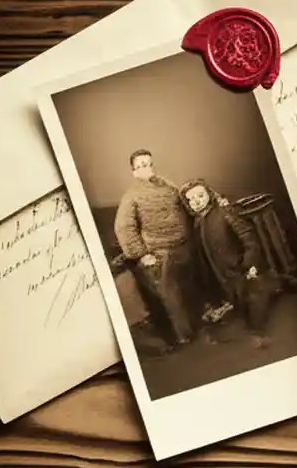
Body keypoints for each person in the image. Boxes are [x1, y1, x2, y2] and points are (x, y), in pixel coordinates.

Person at [179, 179, 277, 349]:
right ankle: (251, 326)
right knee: (238, 299)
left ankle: (259, 333)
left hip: (241, 267)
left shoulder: (225, 212)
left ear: (209, 194)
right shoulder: (198, 222)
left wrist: (250, 262)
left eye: (200, 196)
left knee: (254, 298)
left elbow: (249, 238)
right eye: (191, 199)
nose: (197, 201)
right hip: (223, 272)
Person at [114, 149, 197, 346]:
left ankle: (199, 327)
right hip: (160, 254)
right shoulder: (131, 196)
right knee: (172, 297)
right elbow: (124, 228)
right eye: (142, 165)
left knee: (189, 290)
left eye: (149, 163)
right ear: (134, 171)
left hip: (183, 247)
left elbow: (189, 201)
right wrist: (142, 255)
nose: (147, 167)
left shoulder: (169, 187)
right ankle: (185, 337)